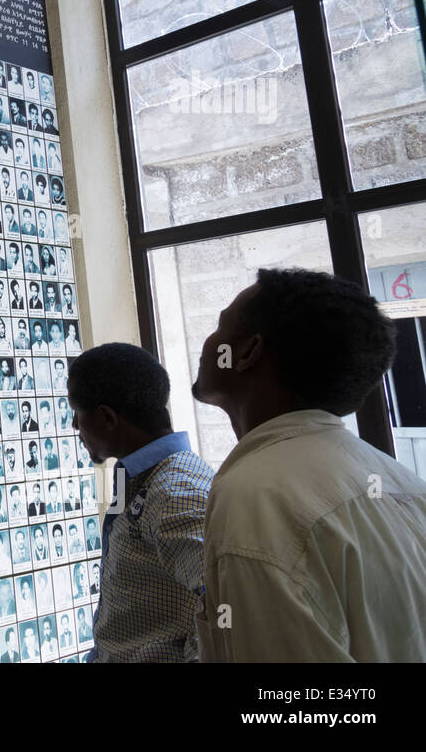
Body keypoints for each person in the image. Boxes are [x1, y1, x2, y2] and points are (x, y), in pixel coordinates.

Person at [192, 269, 426, 662]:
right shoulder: (403, 482)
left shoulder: (259, 497)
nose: (209, 343)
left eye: (220, 326)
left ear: (247, 352)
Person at [66, 343, 212, 662]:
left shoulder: (175, 492)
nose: (75, 427)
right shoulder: (144, 478)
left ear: (106, 417)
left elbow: (228, 611)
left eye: (77, 414)